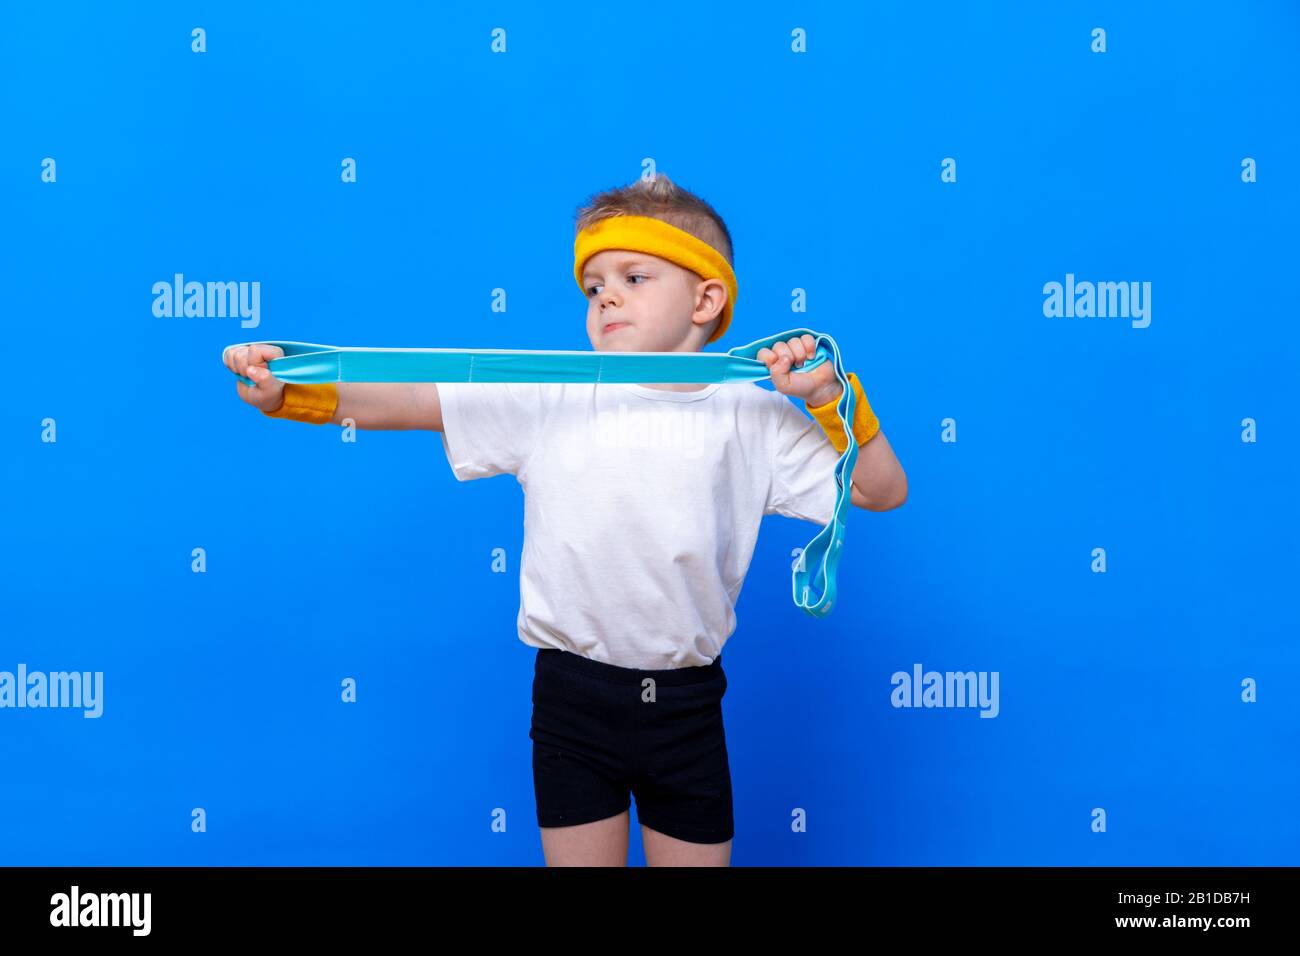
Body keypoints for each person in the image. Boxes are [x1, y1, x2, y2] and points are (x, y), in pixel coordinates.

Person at [223, 173, 908, 866]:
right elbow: (407, 400)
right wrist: (294, 391)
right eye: (593, 285)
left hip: (688, 708)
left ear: (706, 299)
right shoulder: (551, 395)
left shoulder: (754, 417)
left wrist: (831, 400)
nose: (605, 294)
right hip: (571, 699)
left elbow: (882, 491)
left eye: (634, 277)